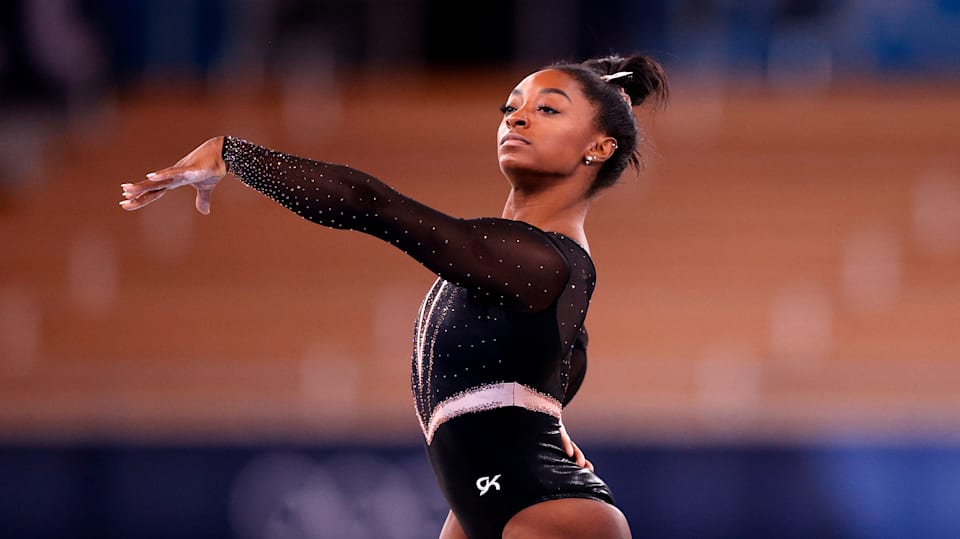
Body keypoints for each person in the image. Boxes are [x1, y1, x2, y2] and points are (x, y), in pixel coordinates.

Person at [120, 52, 668, 539]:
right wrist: (547, 417)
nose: (516, 118)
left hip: (546, 510)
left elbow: (371, 205)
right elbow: (562, 355)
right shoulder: (534, 266)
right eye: (511, 106)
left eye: (548, 110)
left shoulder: (539, 258)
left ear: (599, 146)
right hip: (492, 502)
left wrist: (231, 154)